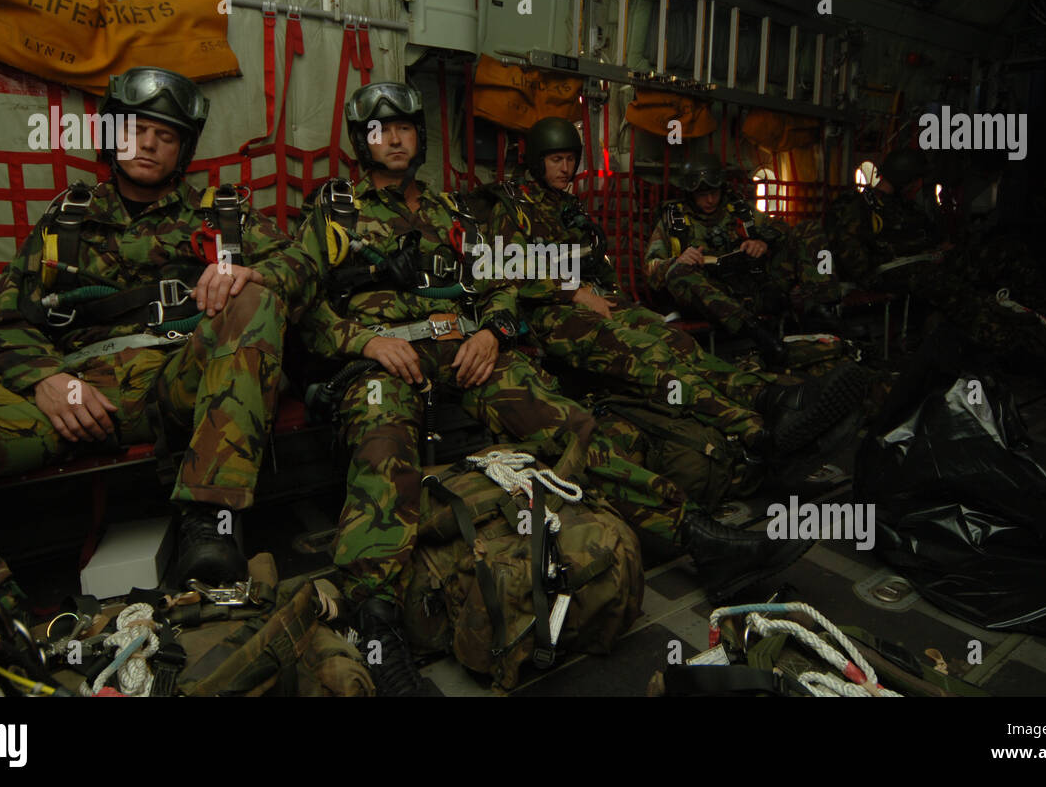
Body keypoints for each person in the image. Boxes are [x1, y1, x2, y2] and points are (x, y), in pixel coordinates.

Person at [297, 84, 815, 695]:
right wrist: (364, 343)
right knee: (383, 448)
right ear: (362, 142)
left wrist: (492, 331)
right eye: (380, 130)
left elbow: (500, 285)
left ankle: (695, 533)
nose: (394, 138)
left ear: (420, 137)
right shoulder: (334, 213)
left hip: (466, 350)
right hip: (387, 358)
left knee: (571, 425)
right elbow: (304, 307)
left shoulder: (453, 213)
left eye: (405, 127)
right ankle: (378, 622)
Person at [0, 66, 318, 603]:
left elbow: (302, 266)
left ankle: (208, 520)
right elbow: (2, 323)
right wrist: (45, 377)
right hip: (75, 394)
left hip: (180, 384)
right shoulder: (68, 219)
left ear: (184, 149)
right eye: (135, 130)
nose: (148, 144)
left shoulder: (224, 214)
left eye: (166, 135)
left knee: (257, 296)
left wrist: (249, 273)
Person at [480, 117, 867, 464]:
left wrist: (613, 299)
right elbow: (505, 271)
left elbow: (596, 261)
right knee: (652, 356)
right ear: (537, 162)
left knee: (677, 343)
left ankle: (768, 396)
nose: (566, 168)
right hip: (551, 314)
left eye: (570, 159)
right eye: (556, 160)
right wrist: (574, 293)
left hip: (598, 301)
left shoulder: (567, 206)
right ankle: (751, 429)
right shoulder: (512, 208)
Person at [826, 145, 1046, 379]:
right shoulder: (858, 207)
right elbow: (857, 262)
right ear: (905, 180)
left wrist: (945, 247)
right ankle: (1024, 354)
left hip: (931, 261)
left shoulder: (906, 208)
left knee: (1007, 252)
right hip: (897, 271)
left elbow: (935, 238)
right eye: (916, 181)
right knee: (957, 292)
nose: (919, 187)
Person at [644, 153, 845, 359]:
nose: (710, 200)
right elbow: (651, 267)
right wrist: (677, 260)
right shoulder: (673, 221)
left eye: (714, 192)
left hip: (756, 286)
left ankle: (823, 309)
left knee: (809, 229)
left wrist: (763, 242)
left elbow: (781, 226)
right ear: (690, 193)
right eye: (703, 194)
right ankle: (758, 333)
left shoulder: (740, 210)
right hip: (716, 299)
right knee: (678, 273)